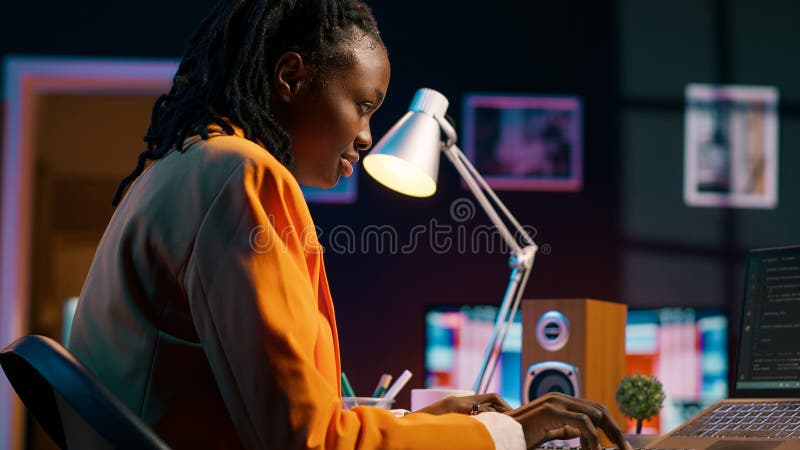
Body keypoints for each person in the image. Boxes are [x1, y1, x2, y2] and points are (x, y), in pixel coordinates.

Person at [67, 1, 633, 449]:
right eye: (363, 105)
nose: (366, 136)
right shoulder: (243, 176)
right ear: (291, 77)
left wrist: (424, 425)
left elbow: (288, 420)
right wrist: (509, 433)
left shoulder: (185, 167)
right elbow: (310, 442)